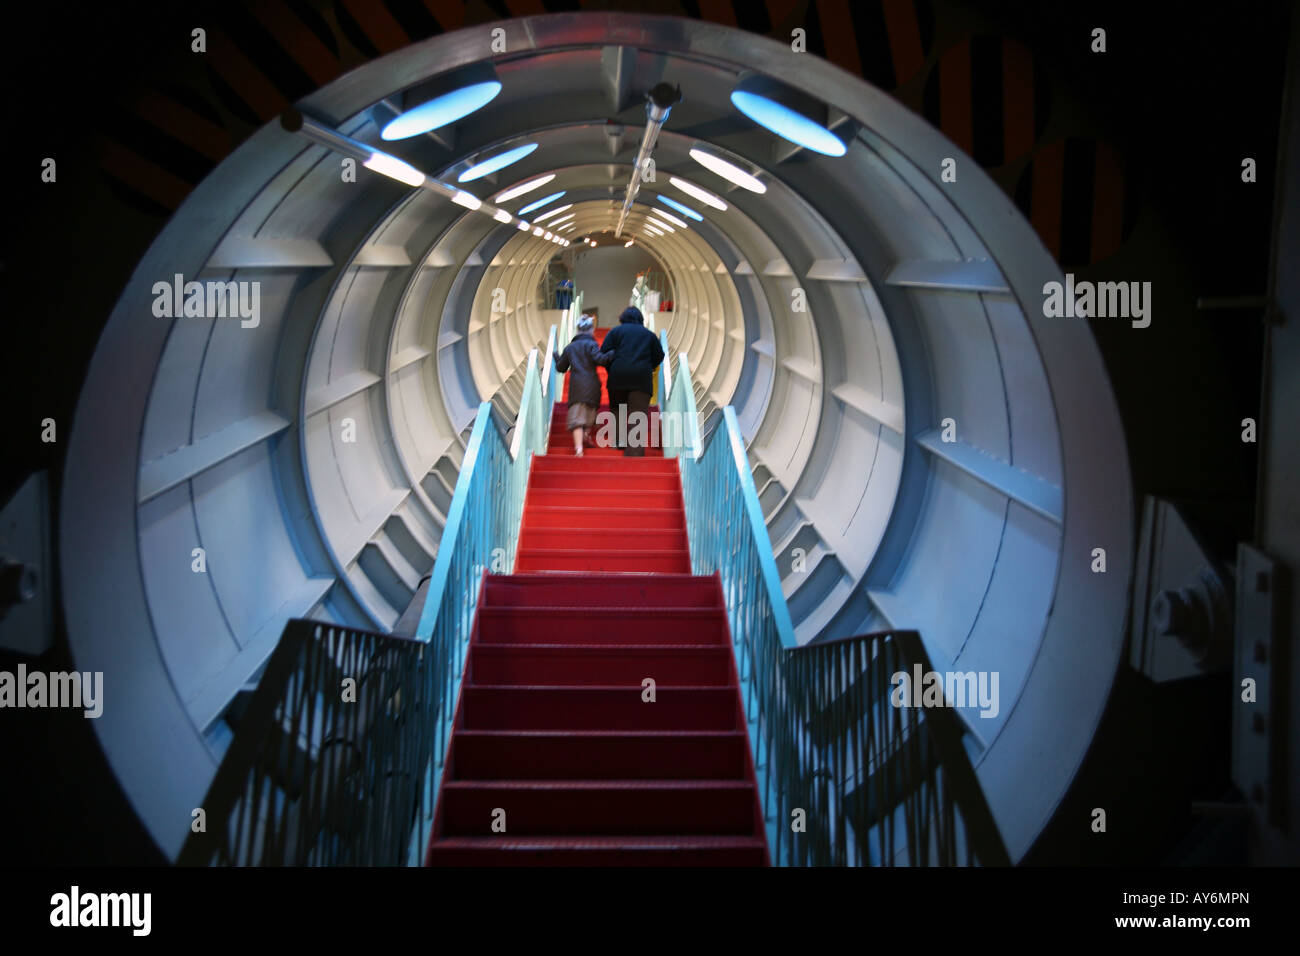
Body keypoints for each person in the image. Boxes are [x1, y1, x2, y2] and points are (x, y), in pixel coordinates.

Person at [599, 306, 664, 457]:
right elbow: (659, 355)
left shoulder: (615, 332)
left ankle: (619, 442)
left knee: (618, 410)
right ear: (640, 319)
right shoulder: (649, 335)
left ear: (622, 318)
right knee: (638, 414)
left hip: (618, 376)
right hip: (641, 378)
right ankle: (634, 452)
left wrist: (612, 367)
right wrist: (648, 366)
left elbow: (603, 353)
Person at [553, 314, 611, 456]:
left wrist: (556, 356)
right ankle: (586, 434)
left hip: (577, 386)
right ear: (591, 330)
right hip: (592, 386)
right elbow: (600, 360)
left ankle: (579, 448)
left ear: (577, 330)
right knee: (589, 416)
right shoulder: (592, 345)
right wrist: (613, 353)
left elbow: (561, 368)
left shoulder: (570, 348)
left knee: (577, 419)